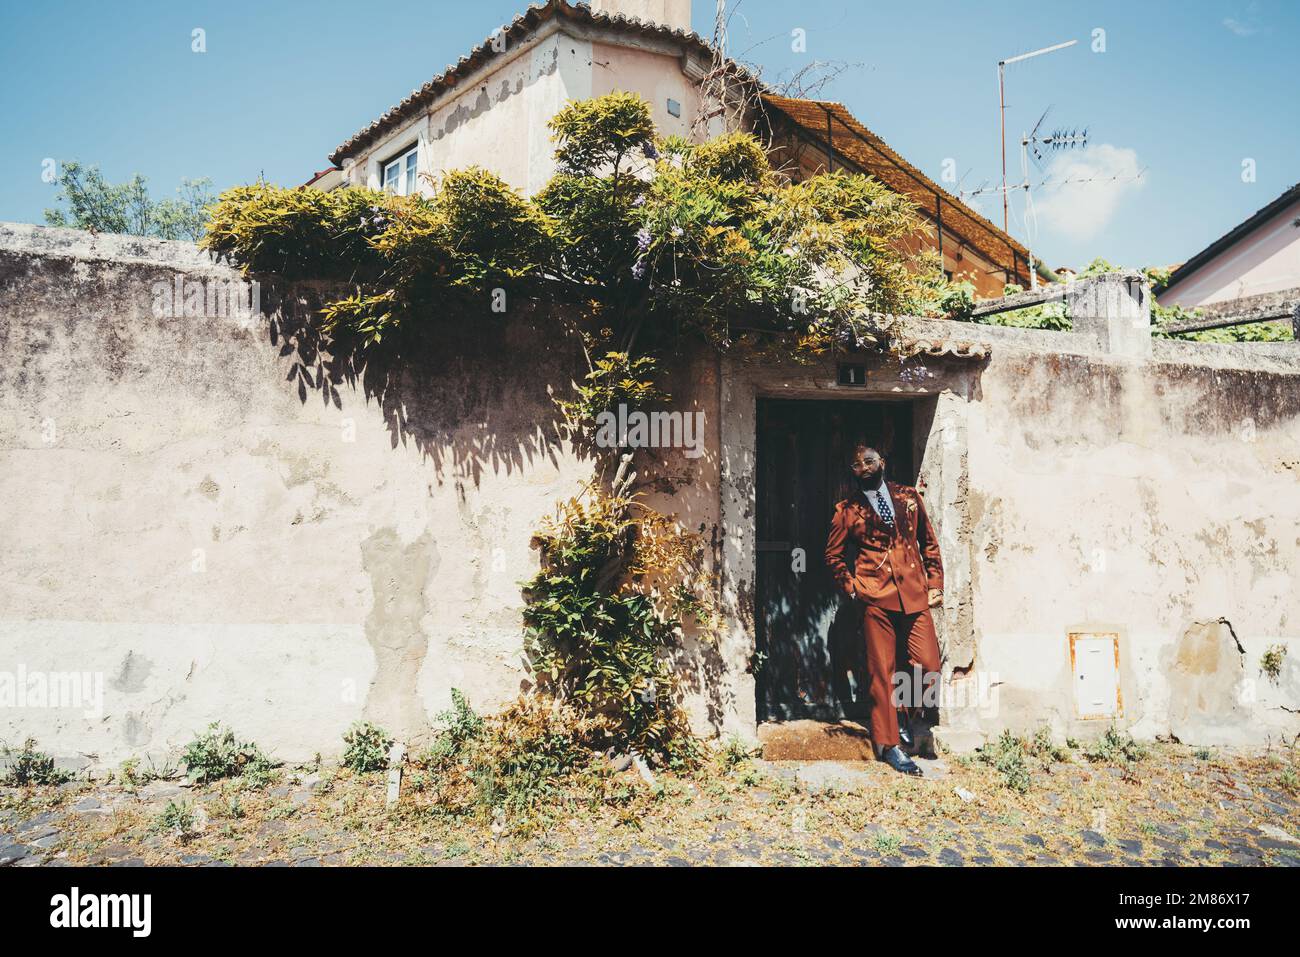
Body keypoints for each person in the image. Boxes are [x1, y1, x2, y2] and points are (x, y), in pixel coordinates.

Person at [824, 444, 944, 775]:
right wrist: (852, 588)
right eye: (857, 464)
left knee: (929, 665)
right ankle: (890, 745)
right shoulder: (846, 510)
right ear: (852, 472)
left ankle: (904, 710)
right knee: (883, 673)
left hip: (915, 595)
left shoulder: (908, 497)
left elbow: (928, 543)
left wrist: (935, 583)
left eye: (869, 461)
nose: (864, 467)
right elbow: (832, 556)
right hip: (875, 598)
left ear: (882, 463)